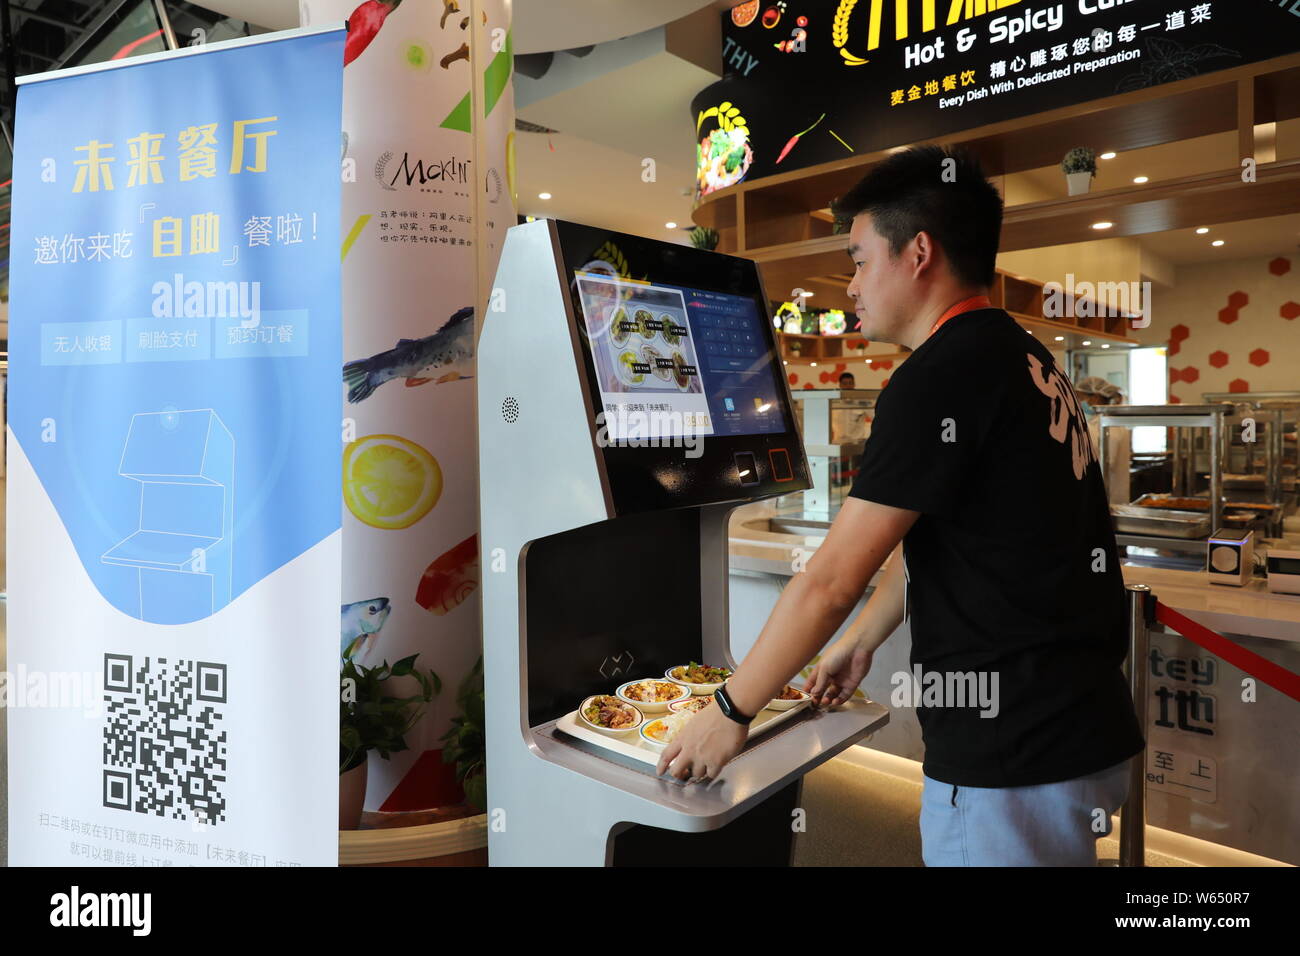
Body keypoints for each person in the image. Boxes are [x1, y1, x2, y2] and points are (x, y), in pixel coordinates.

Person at [658, 144, 1145, 866]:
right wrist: (861, 641)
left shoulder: (938, 377)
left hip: (1014, 751)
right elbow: (942, 537)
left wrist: (730, 711)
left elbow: (828, 581)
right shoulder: (1020, 353)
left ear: (918, 251)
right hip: (1079, 725)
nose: (849, 284)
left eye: (858, 258)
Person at [1075, 376, 1132, 505]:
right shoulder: (1102, 423)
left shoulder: (1108, 426)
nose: (1078, 402)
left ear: (1094, 397)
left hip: (1109, 498)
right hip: (1108, 498)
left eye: (1080, 397)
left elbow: (1104, 464)